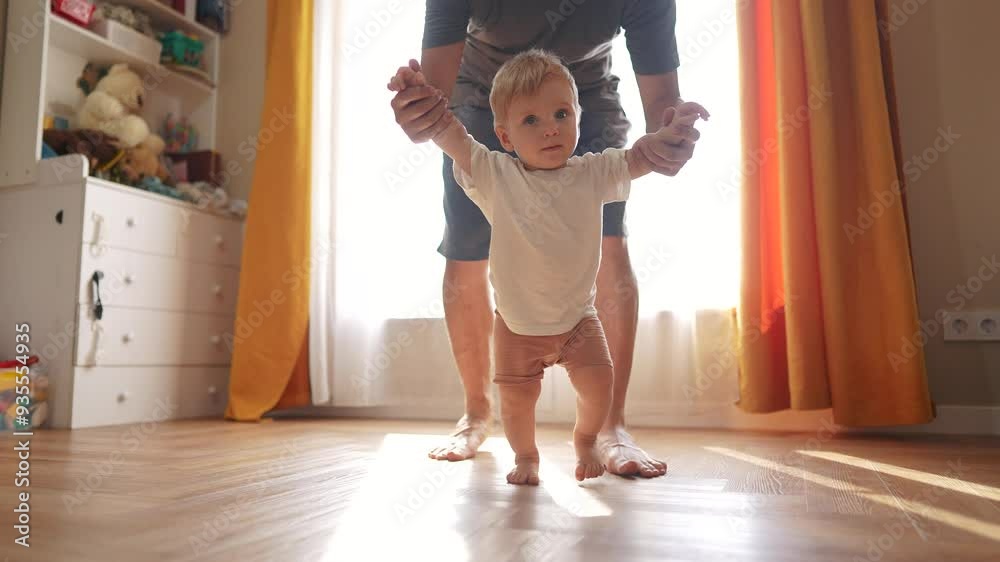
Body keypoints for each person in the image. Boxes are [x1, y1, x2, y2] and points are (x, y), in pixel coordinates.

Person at [389, 1, 701, 478]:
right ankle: (476, 412)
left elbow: (664, 105)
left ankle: (609, 427)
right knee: (467, 248)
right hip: (485, 98)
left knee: (611, 240)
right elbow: (433, 93)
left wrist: (670, 136)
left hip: (584, 97)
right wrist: (421, 111)